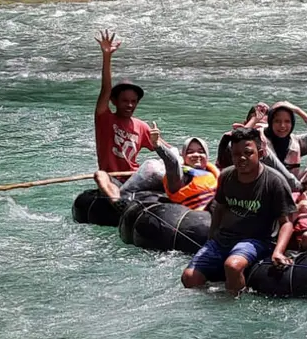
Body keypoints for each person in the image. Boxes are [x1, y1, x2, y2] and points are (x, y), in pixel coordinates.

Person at [182, 128, 296, 296]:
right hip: (224, 238)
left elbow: (286, 222)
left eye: (248, 153)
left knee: (233, 266)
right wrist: (212, 236)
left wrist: (278, 251)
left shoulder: (274, 182)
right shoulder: (226, 176)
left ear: (261, 152)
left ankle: (232, 304)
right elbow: (219, 207)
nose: (241, 158)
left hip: (257, 239)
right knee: (189, 277)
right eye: (236, 154)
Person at [93, 131, 219, 211]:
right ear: (184, 157)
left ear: (207, 156)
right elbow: (172, 163)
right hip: (176, 194)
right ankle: (117, 200)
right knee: (101, 175)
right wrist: (158, 146)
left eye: (201, 152)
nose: (196, 155)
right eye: (190, 152)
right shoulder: (181, 175)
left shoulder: (213, 172)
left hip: (203, 209)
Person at [93, 30, 154, 174]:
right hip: (111, 178)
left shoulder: (142, 127)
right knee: (100, 177)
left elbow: (166, 149)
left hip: (134, 178)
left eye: (134, 101)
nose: (130, 105)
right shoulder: (104, 118)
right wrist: (107, 56)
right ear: (114, 101)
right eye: (125, 101)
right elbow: (105, 89)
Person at [264, 101, 307, 177]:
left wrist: (298, 111)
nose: (282, 125)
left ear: (292, 123)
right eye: (277, 121)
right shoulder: (259, 140)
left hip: (292, 187)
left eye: (287, 121)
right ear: (270, 123)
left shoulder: (297, 142)